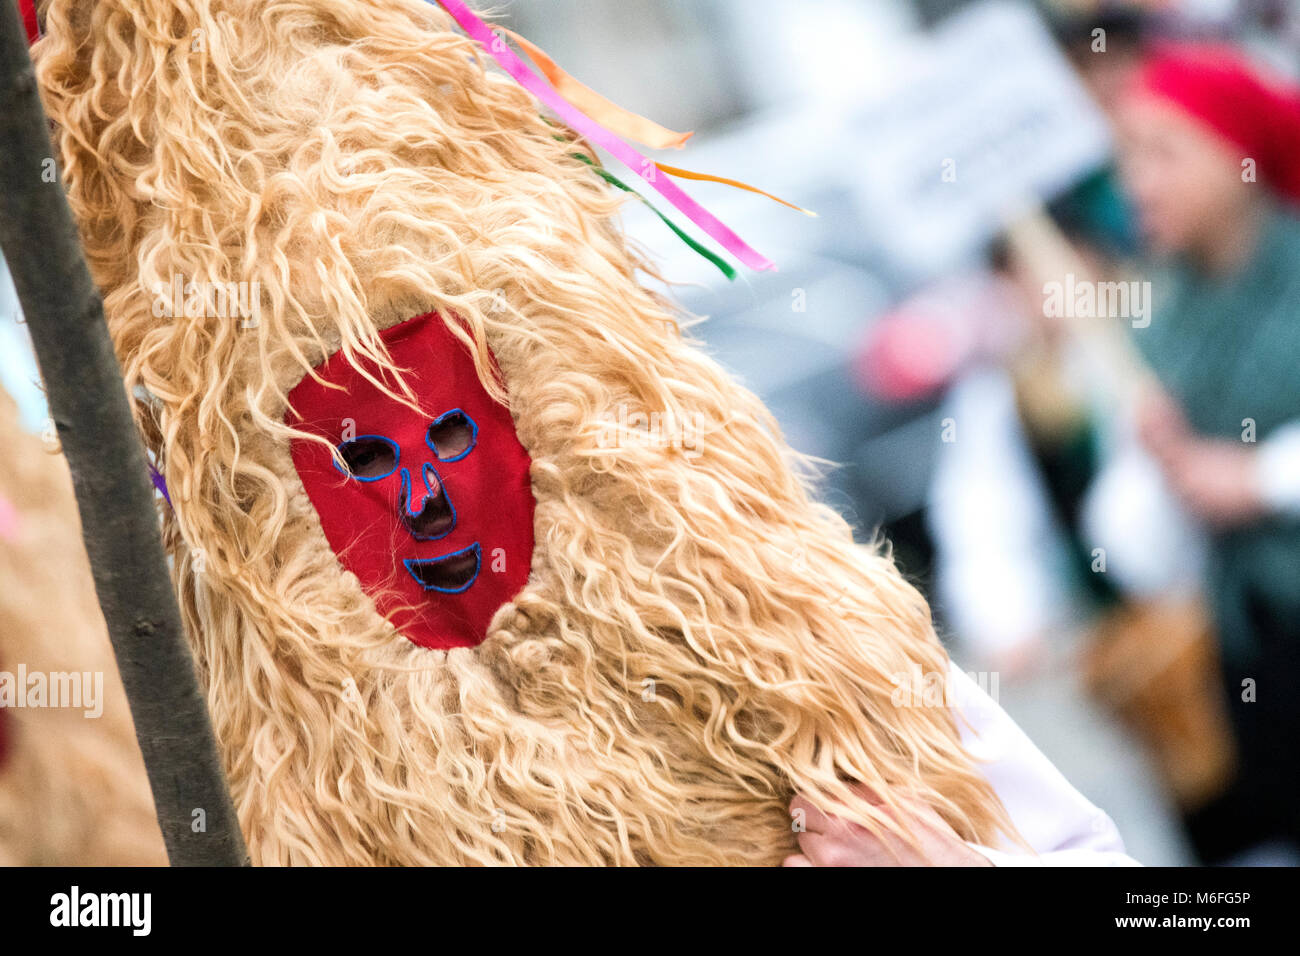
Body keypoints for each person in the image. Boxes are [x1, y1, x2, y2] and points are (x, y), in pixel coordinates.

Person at [1115, 41, 1300, 863]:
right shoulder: (1157, 323)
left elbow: (1244, 482)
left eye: (1165, 151)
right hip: (1257, 650)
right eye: (1129, 155)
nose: (1137, 183)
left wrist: (1258, 478)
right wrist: (1157, 461)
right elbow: (1147, 557)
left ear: (1240, 156)